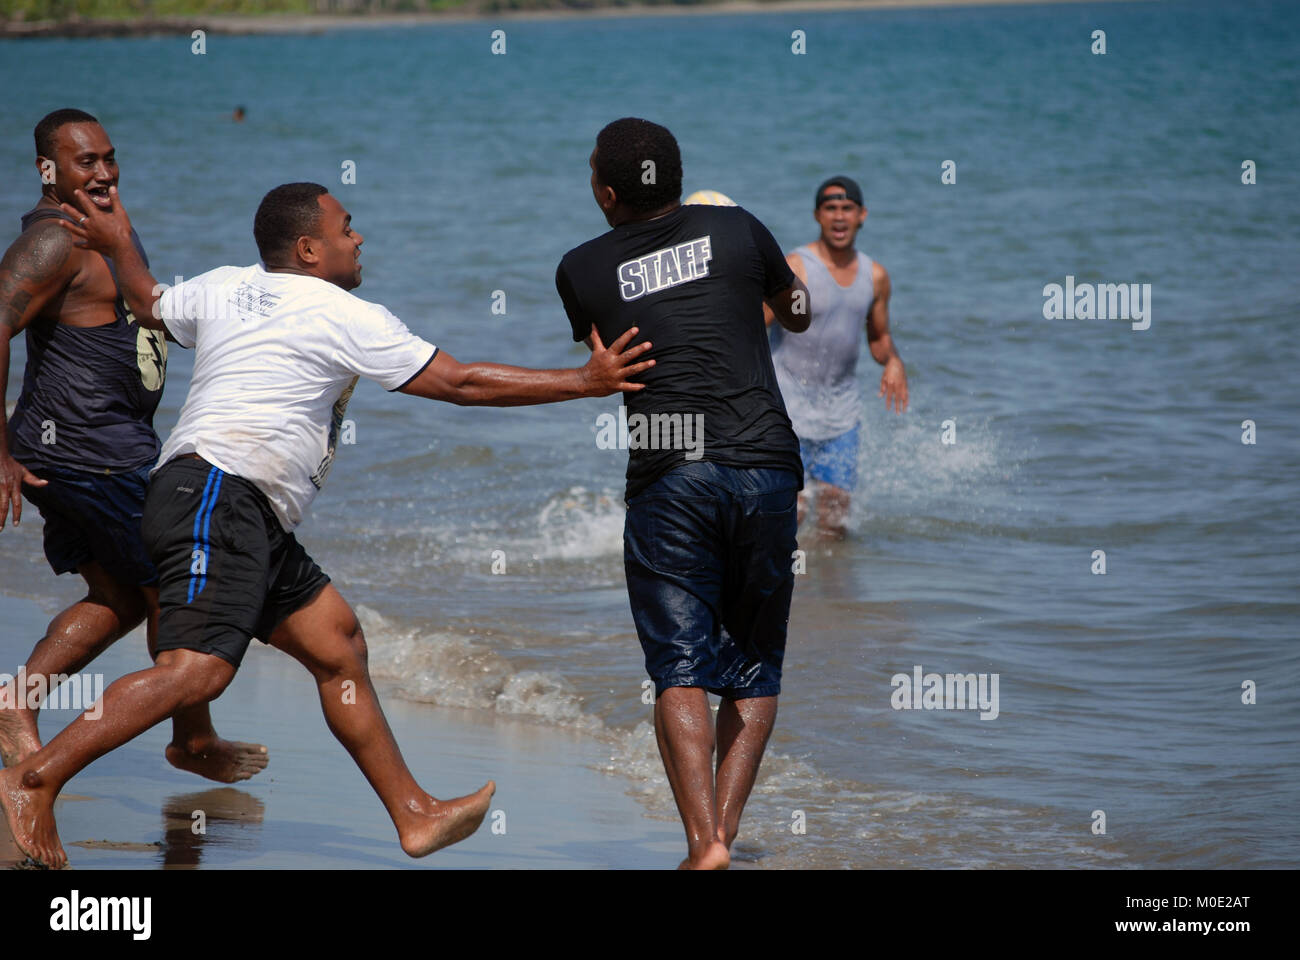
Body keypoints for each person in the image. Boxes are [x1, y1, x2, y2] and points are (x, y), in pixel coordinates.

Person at [0, 180, 654, 869]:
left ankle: (414, 813)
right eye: (348, 227)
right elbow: (458, 383)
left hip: (226, 501)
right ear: (310, 249)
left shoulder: (225, 286)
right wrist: (584, 382)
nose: (359, 237)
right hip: (219, 495)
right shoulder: (346, 314)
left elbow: (148, 302)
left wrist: (118, 243)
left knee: (336, 643)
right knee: (194, 671)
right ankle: (32, 780)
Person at [555, 118, 811, 869]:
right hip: (767, 462)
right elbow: (797, 313)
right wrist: (762, 294)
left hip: (671, 467)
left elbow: (610, 354)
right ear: (676, 176)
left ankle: (704, 843)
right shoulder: (739, 229)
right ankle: (720, 840)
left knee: (680, 666)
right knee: (756, 663)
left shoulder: (581, 266)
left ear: (606, 191)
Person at [0, 108, 266, 784]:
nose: (105, 172)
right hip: (89, 455)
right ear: (48, 170)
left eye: (109, 157)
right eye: (86, 162)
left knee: (119, 595)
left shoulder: (103, 226)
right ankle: (193, 739)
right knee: (173, 587)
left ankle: (15, 705)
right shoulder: (53, 242)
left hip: (106, 448)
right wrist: (0, 451)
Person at [764, 176, 909, 540]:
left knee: (834, 523)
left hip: (841, 418)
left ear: (862, 215)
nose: (839, 217)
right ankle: (784, 590)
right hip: (787, 412)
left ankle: (828, 593)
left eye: (847, 209)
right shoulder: (796, 267)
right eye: (831, 209)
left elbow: (879, 339)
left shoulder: (875, 277)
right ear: (817, 216)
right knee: (788, 516)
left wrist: (893, 361)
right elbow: (753, 324)